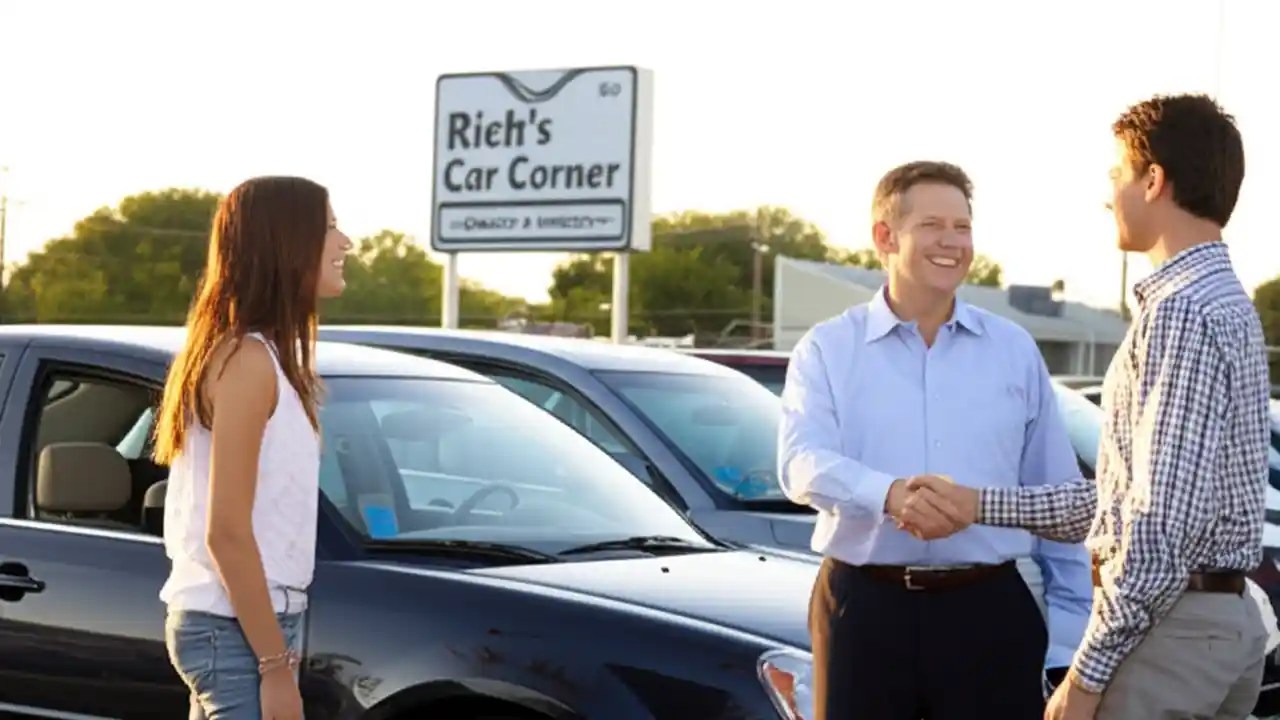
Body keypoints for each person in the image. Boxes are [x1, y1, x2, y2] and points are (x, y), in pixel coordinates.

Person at [905, 93, 1271, 720]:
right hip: (1214, 624)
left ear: (1153, 181)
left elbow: (1158, 525)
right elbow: (1121, 504)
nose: (1108, 195)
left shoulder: (1180, 312)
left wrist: (1088, 675)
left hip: (1168, 636)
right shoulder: (1226, 302)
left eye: (1116, 174)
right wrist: (977, 504)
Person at [778, 160, 1093, 719]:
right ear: (884, 236)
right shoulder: (827, 349)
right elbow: (801, 463)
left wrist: (1068, 636)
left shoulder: (1014, 350)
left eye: (963, 227)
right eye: (931, 225)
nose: (952, 242)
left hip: (990, 611)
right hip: (862, 609)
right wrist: (890, 494)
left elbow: (1057, 495)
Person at [153, 176, 352, 719]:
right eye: (329, 227)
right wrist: (274, 667)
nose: (345, 243)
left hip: (243, 622)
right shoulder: (247, 362)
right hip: (231, 628)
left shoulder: (266, 358)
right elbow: (227, 533)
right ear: (285, 244)